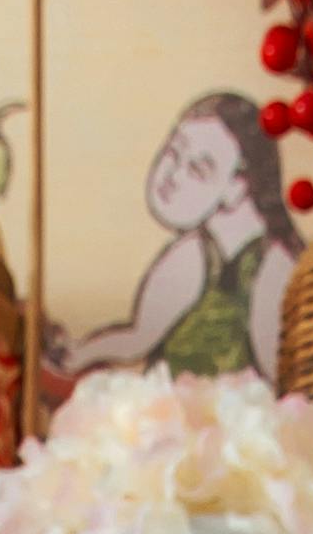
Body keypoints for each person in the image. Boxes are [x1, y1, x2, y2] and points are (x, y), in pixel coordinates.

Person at [52, 90, 298, 381]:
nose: (172, 175)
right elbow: (139, 336)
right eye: (173, 152)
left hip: (238, 406)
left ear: (237, 186)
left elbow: (278, 372)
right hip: (169, 403)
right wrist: (80, 353)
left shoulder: (273, 266)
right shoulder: (195, 251)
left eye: (197, 169)